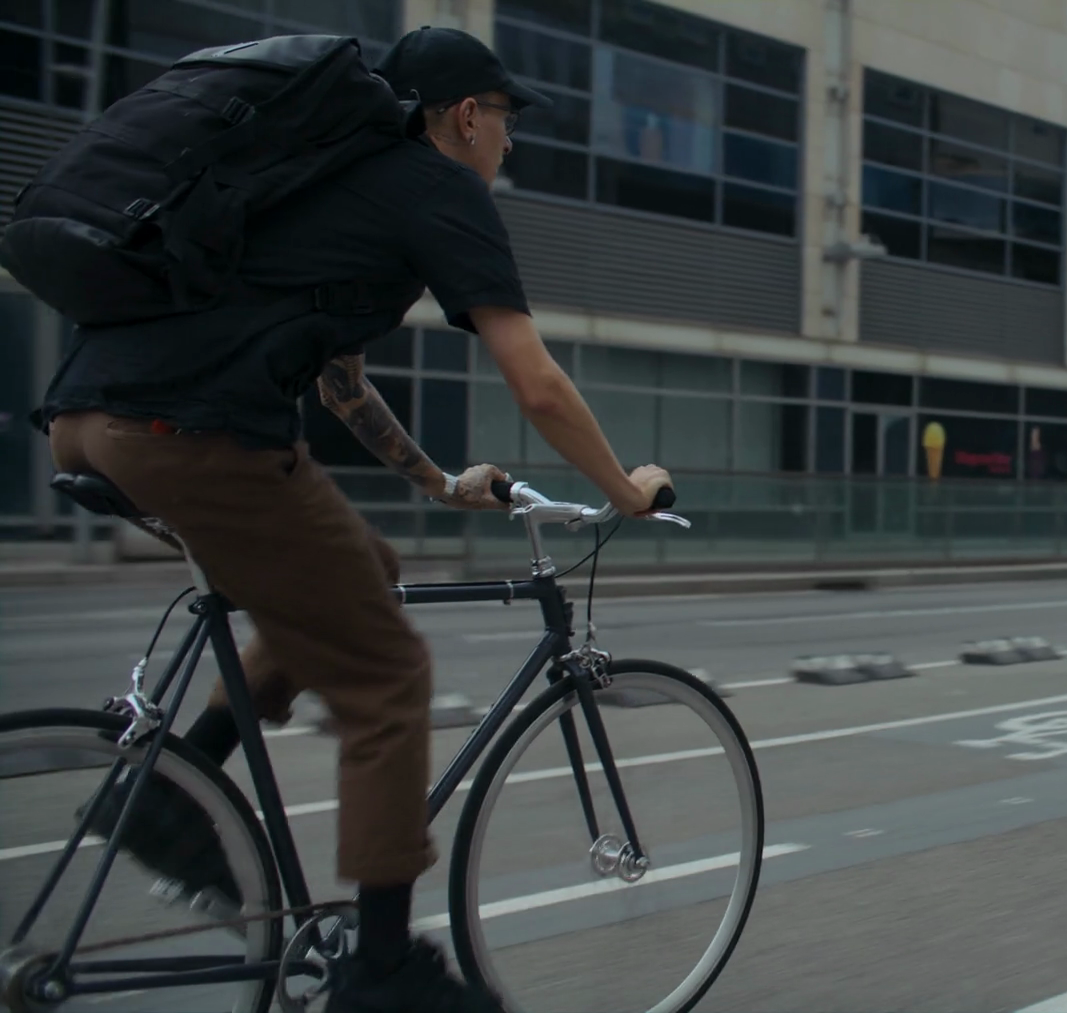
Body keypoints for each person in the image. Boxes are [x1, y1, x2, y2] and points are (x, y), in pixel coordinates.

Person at [35, 25, 671, 1013]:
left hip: (89, 418)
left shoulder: (327, 181)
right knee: (387, 672)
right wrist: (628, 488)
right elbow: (538, 384)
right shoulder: (437, 188)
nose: (508, 143)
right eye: (505, 121)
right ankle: (382, 970)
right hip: (187, 430)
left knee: (359, 574)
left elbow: (337, 378)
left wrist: (433, 480)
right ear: (466, 115)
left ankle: (168, 792)